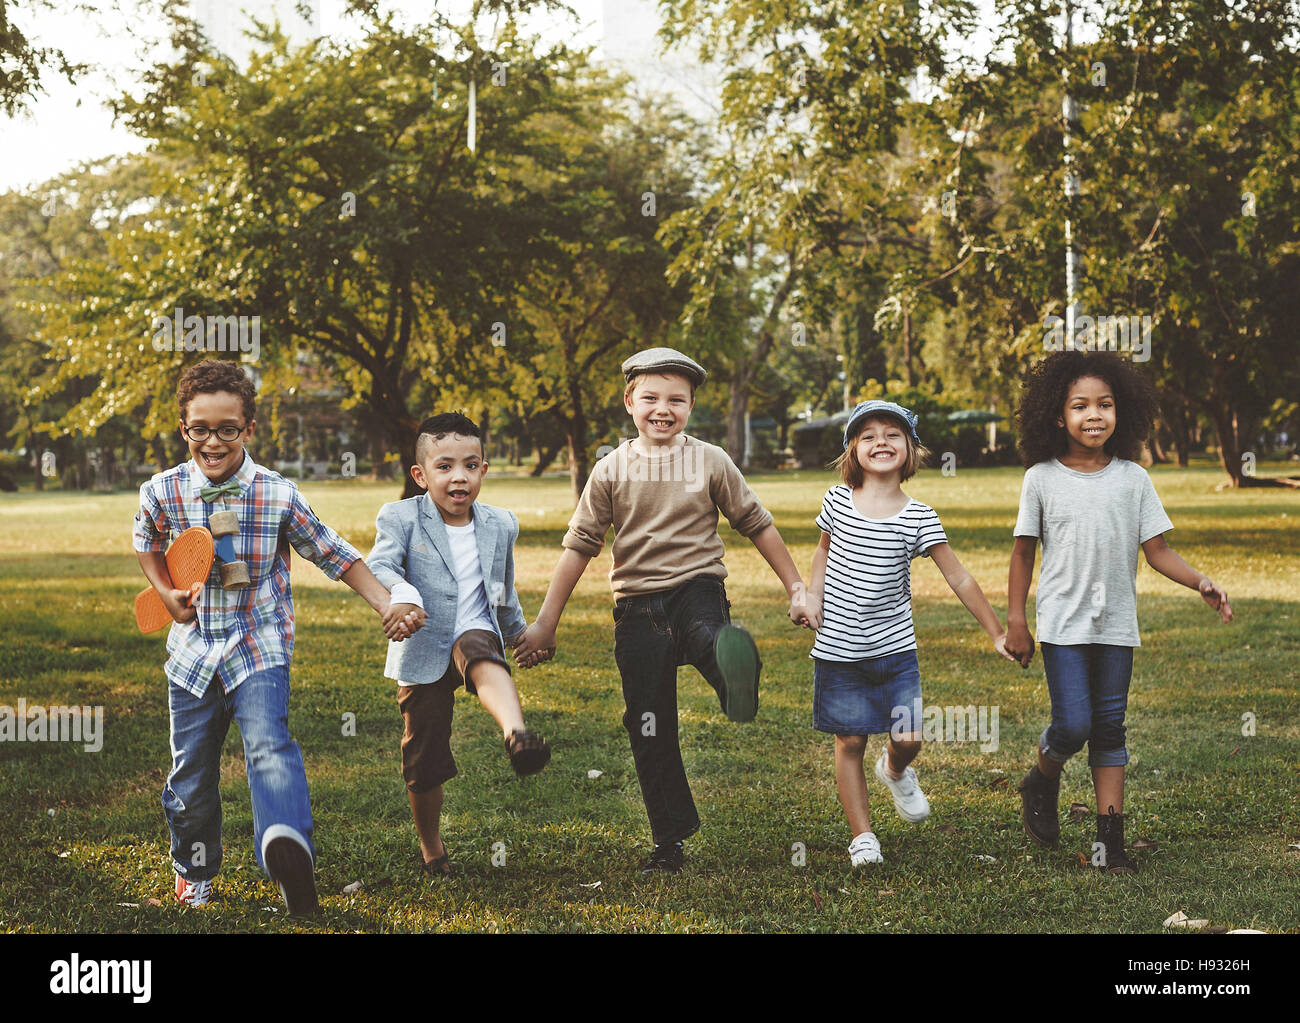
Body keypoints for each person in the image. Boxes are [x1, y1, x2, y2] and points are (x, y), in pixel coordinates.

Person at [133, 359, 414, 916]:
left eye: (228, 429)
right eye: (200, 430)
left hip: (259, 644)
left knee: (268, 746)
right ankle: (194, 870)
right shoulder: (162, 491)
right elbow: (146, 543)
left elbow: (335, 554)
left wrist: (387, 602)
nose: (213, 442)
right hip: (191, 658)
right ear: (183, 428)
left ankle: (288, 849)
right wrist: (165, 593)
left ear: (249, 429)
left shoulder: (277, 494)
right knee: (190, 776)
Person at [514, 348, 807, 874]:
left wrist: (797, 587)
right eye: (650, 398)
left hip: (697, 590)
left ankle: (734, 677)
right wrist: (544, 623)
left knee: (706, 634)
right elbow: (581, 545)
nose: (663, 409)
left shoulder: (711, 459)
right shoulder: (610, 470)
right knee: (648, 723)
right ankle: (668, 841)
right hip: (636, 607)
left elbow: (756, 523)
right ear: (630, 402)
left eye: (677, 399)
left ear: (692, 404)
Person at [1006, 351, 1232, 873]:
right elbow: (1022, 553)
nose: (1094, 415)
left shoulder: (1133, 479)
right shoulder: (1040, 477)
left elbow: (1157, 552)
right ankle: (1042, 775)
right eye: (1080, 405)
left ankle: (1111, 845)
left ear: (1120, 412)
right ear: (1057, 415)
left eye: (1105, 405)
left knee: (1110, 728)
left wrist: (1200, 581)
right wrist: (1017, 620)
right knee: (1074, 724)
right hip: (1062, 623)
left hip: (1115, 626)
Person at [795, 400, 1015, 867]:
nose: (880, 442)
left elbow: (958, 577)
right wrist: (811, 595)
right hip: (838, 649)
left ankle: (894, 769)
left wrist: (996, 632)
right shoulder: (835, 501)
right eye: (868, 435)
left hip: (895, 651)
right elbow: (821, 554)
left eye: (892, 434)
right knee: (849, 741)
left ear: (910, 449)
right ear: (853, 449)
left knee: (909, 735)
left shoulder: (919, 516)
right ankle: (863, 838)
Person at [367, 412, 550, 879]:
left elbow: (502, 592)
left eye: (470, 465)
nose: (459, 477)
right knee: (423, 753)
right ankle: (432, 848)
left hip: (474, 627)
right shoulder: (401, 516)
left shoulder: (500, 524)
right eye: (444, 466)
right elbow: (381, 566)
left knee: (479, 650)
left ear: (483, 470)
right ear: (421, 474)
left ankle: (516, 734)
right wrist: (403, 598)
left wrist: (520, 636)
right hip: (422, 641)